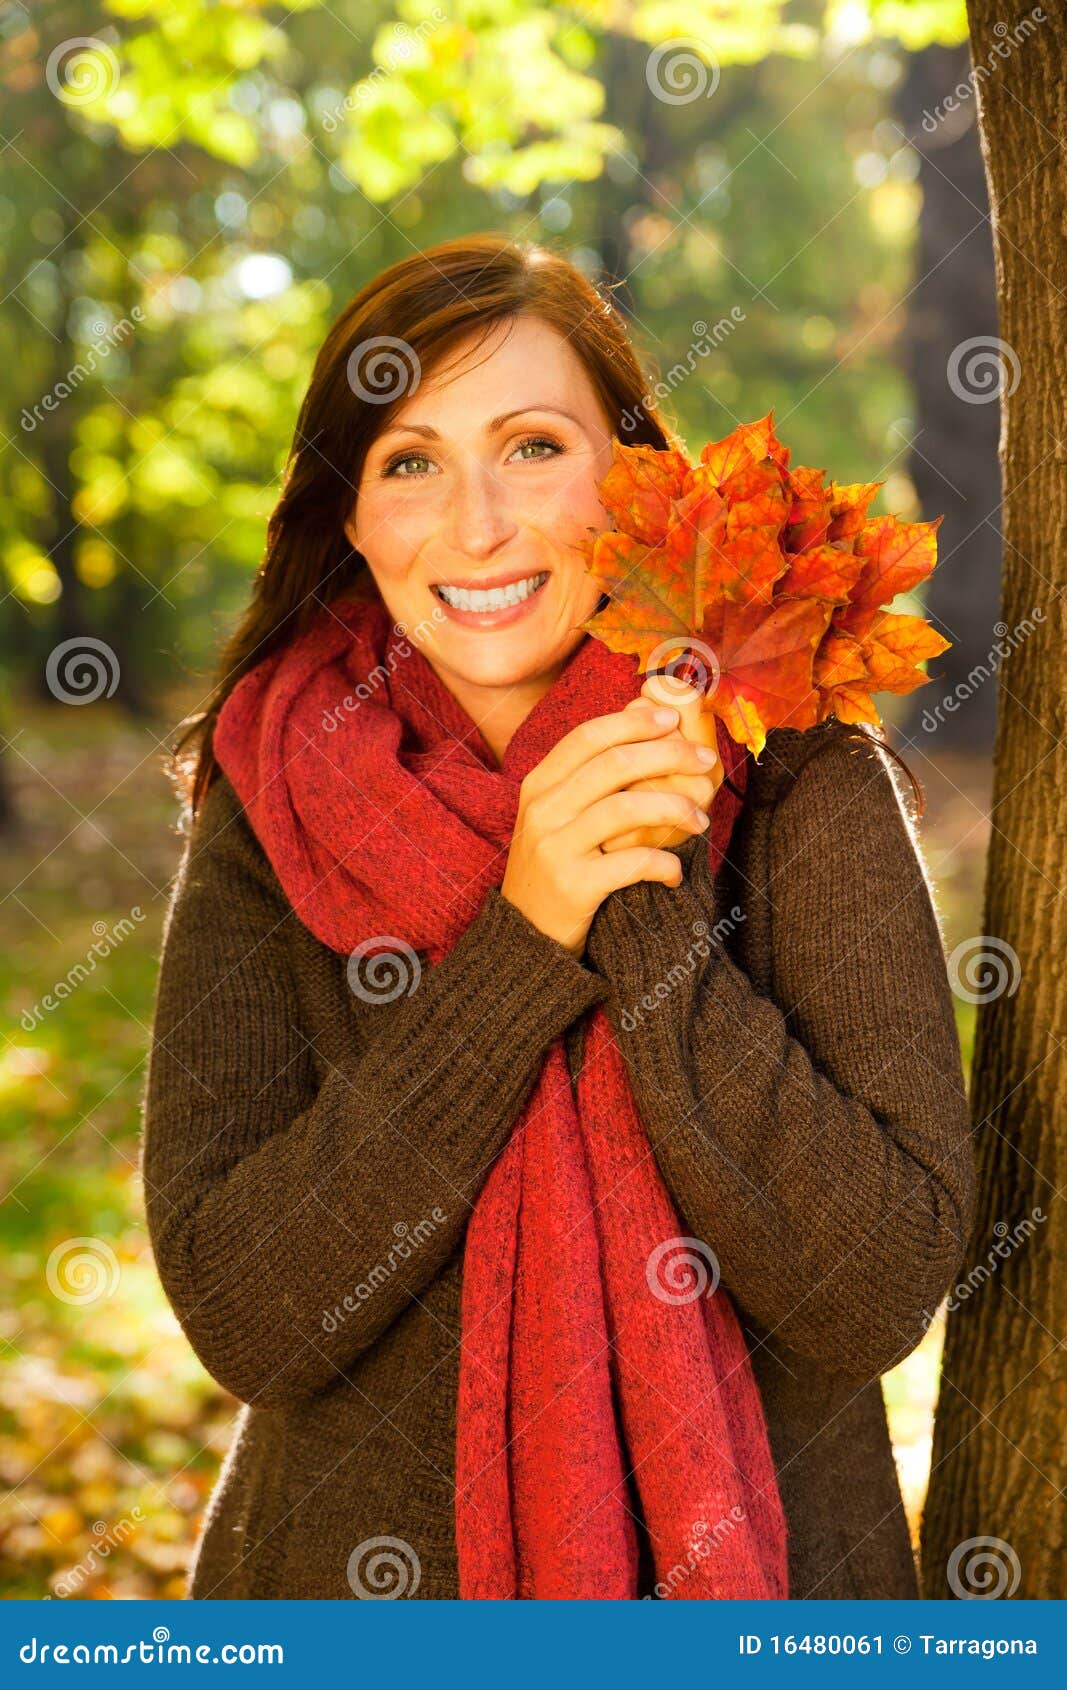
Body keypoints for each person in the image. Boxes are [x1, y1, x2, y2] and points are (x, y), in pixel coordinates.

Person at [143, 233, 975, 1600]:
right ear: (350, 516)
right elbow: (246, 1313)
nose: (476, 524)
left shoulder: (801, 773)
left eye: (532, 446)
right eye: (409, 462)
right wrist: (523, 940)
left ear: (636, 475)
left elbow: (873, 1292)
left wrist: (640, 897)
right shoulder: (277, 787)